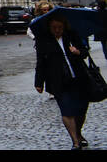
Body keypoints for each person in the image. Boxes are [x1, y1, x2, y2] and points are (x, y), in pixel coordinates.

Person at [34, 12, 93, 149]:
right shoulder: (43, 40)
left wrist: (78, 52)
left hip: (78, 78)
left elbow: (85, 52)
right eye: (54, 27)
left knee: (81, 109)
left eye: (59, 27)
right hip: (58, 81)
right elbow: (40, 62)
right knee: (67, 110)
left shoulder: (72, 35)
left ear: (64, 26)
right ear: (49, 27)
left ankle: (78, 132)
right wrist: (38, 82)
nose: (57, 30)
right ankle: (75, 141)